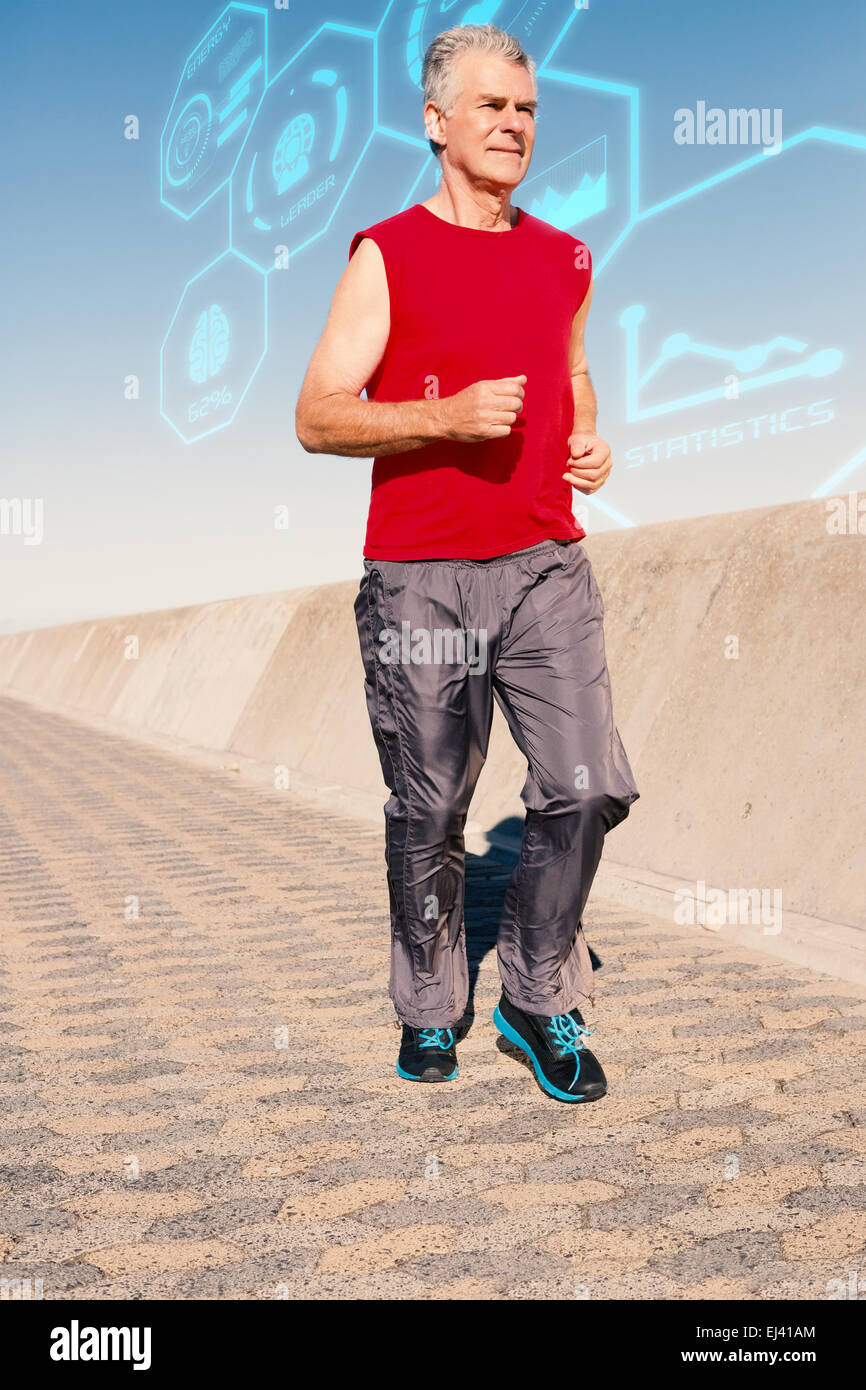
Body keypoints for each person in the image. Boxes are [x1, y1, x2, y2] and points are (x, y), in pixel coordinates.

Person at [295, 23, 639, 1104]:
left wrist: (589, 437)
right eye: (490, 107)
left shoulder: (565, 256)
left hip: (545, 561)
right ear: (436, 122)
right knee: (432, 806)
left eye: (526, 109)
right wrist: (444, 416)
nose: (513, 126)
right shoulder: (385, 253)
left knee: (587, 784)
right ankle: (429, 1006)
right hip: (421, 570)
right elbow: (314, 417)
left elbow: (573, 370)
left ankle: (536, 996)